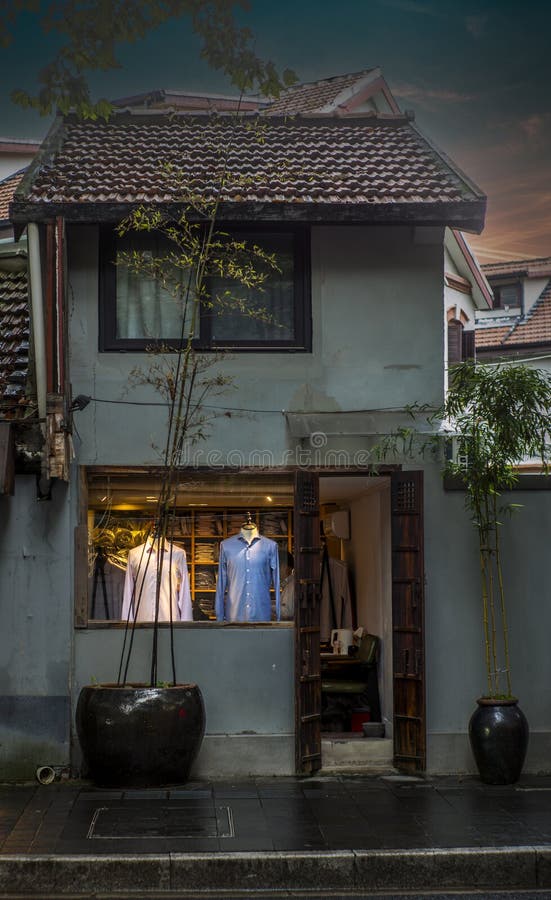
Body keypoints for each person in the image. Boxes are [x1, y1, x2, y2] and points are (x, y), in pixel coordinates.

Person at [215, 514, 280, 622]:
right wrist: (219, 617)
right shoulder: (226, 546)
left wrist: (278, 617)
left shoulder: (270, 546)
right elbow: (221, 584)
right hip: (234, 617)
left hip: (262, 616)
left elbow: (277, 583)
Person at [122, 535, 192, 622]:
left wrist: (186, 626)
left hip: (170, 623)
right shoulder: (134, 554)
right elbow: (128, 592)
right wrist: (126, 624)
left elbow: (184, 593)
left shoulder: (178, 554)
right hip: (142, 622)